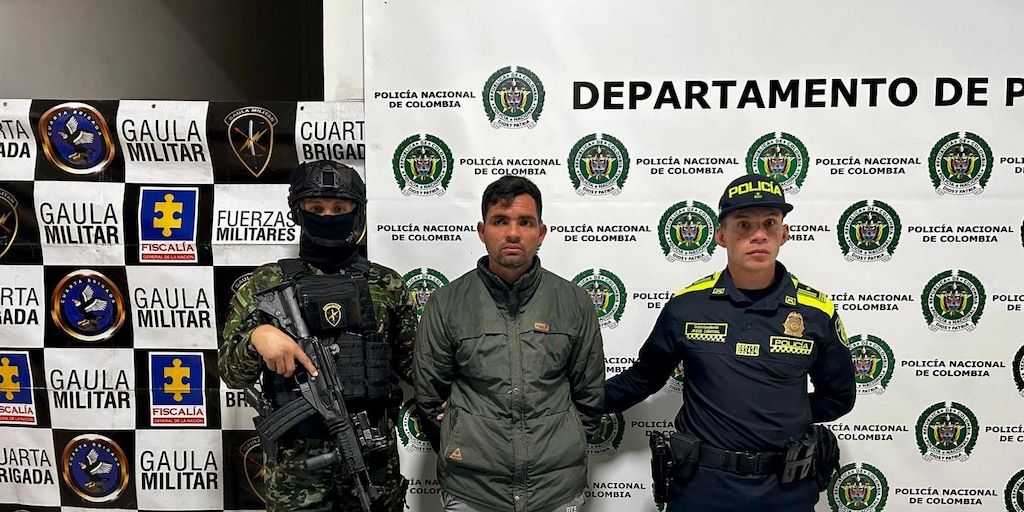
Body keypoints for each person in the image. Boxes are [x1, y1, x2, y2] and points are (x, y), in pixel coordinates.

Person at [604, 174, 856, 511]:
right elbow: (643, 378)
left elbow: (839, 397)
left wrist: (781, 417)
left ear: (784, 233)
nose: (757, 235)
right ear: (722, 236)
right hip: (701, 487)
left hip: (785, 490)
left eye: (769, 223)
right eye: (743, 225)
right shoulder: (686, 306)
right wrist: (572, 403)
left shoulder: (816, 312)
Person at [219, 160, 416, 512]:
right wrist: (257, 338)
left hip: (373, 464)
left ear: (357, 213)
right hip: (298, 473)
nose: (328, 216)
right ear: (298, 211)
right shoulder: (265, 284)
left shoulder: (386, 285)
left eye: (340, 208)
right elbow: (231, 373)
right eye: (316, 208)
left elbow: (415, 366)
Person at [414, 176, 606, 512]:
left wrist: (567, 442)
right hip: (473, 491)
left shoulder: (574, 303)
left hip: (555, 491)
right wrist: (459, 437)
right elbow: (430, 396)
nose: (513, 233)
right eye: (500, 221)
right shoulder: (446, 304)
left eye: (525, 222)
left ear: (541, 233)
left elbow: (589, 396)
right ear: (482, 230)